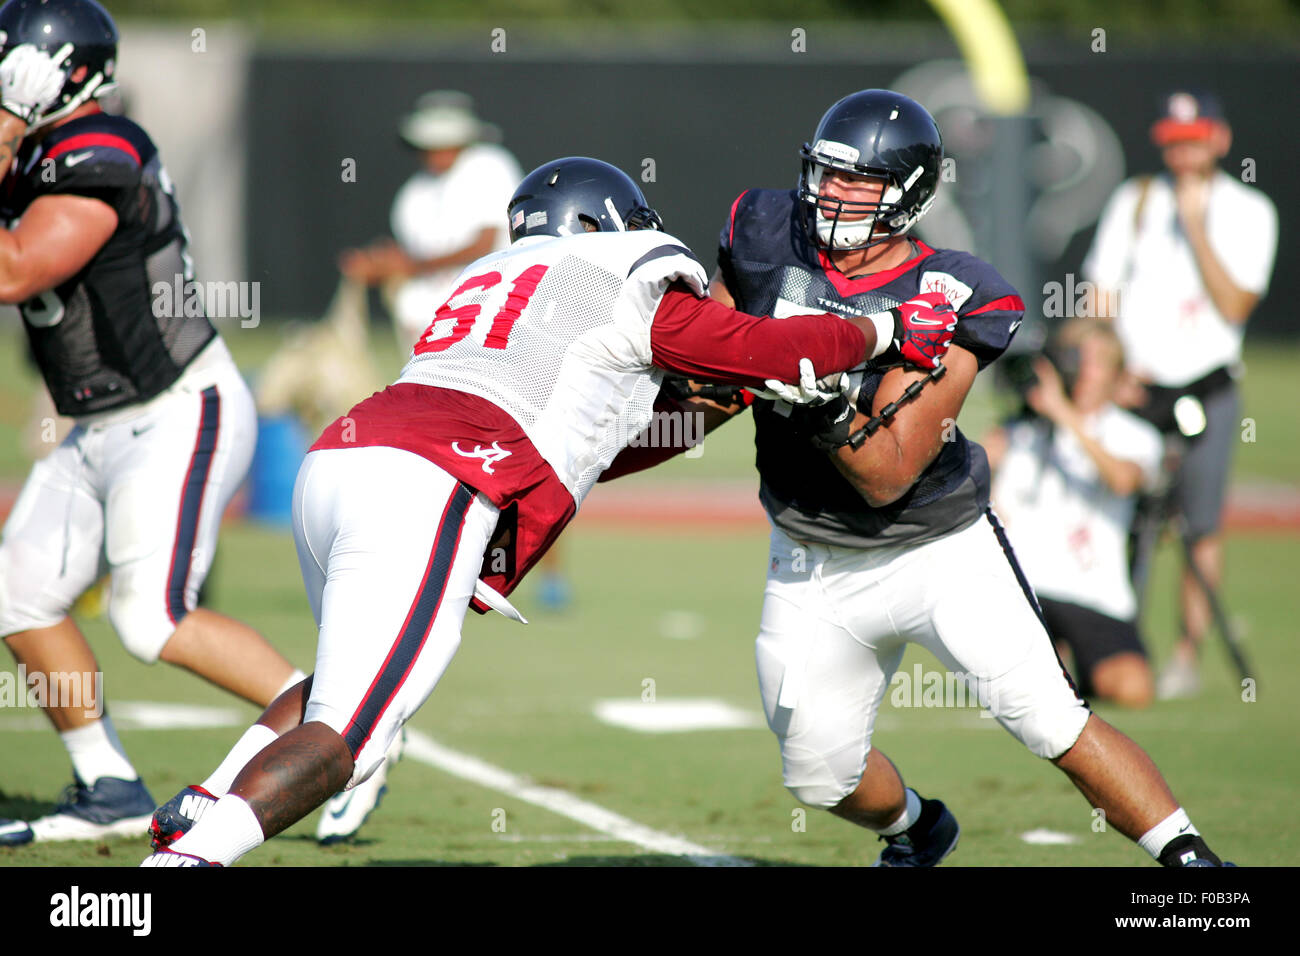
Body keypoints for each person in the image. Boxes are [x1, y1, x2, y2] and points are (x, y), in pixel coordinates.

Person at [139, 155, 913, 866]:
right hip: (425, 481)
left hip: (342, 456)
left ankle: (205, 801)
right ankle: (187, 863)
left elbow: (594, 446)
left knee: (340, 689)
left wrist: (715, 405)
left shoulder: (499, 281)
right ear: (606, 224)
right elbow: (763, 348)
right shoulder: (622, 271)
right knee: (353, 736)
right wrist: (883, 328)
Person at [615, 90, 1231, 866]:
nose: (831, 196)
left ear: (907, 193)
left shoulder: (952, 290)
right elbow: (719, 376)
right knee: (818, 776)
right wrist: (617, 441)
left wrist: (824, 409)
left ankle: (1196, 870)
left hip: (937, 549)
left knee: (1050, 721)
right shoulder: (767, 232)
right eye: (826, 175)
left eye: (857, 182)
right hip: (811, 555)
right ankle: (916, 829)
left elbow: (888, 474)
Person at [0, 0, 303, 847]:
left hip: (174, 410)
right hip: (94, 422)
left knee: (152, 618)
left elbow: (19, 269)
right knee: (16, 595)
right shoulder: (35, 152)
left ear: (46, 69)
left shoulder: (101, 149)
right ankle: (108, 785)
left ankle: (338, 722)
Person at [1082, 90, 1277, 699]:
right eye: (1173, 140)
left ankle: (1186, 655)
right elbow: (1100, 293)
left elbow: (1236, 303)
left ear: (1218, 140)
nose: (1181, 152)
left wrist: (1196, 227)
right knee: (1126, 521)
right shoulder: (1135, 201)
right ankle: (1118, 644)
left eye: (1193, 140)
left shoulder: (1250, 211)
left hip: (1207, 390)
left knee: (1200, 526)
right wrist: (1108, 365)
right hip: (1136, 389)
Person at [984, 319, 1164, 708]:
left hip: (1094, 595)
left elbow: (1122, 480)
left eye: (1098, 361)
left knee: (1133, 689)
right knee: (1014, 685)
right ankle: (1055, 662)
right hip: (1027, 591)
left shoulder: (1133, 435)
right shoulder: (1020, 431)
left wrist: (1062, 413)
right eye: (1076, 357)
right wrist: (982, 460)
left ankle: (1073, 666)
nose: (1084, 369)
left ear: (1118, 377)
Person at [338, 90, 523, 350]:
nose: (434, 153)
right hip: (427, 319)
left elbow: (485, 244)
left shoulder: (488, 165)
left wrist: (411, 265)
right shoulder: (414, 192)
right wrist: (378, 263)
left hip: (488, 310)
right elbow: (413, 256)